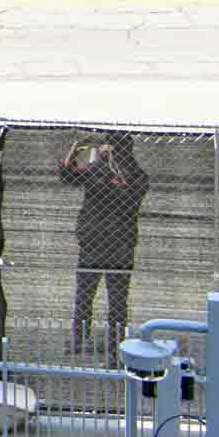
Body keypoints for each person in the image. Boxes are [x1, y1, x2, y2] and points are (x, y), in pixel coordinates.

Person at [59, 134, 150, 356]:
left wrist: (112, 163)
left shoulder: (137, 175)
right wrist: (76, 148)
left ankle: (115, 346)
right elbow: (67, 175)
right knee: (83, 297)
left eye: (114, 147)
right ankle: (79, 340)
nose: (106, 150)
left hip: (120, 247)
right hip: (92, 244)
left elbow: (129, 191)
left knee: (118, 302)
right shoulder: (95, 170)